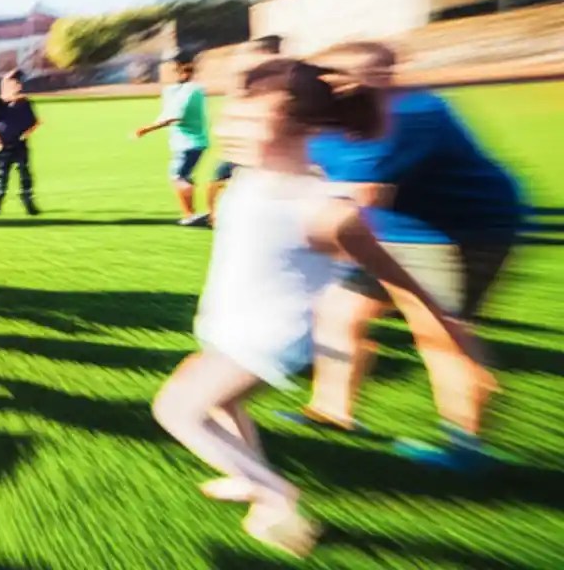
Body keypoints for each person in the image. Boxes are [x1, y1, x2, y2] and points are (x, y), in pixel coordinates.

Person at [152, 57, 467, 557]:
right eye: (234, 115)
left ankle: (274, 494)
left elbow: (394, 277)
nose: (231, 127)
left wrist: (440, 321)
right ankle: (247, 473)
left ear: (299, 130)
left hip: (270, 334)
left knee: (177, 409)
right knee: (224, 402)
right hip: (233, 320)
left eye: (252, 121)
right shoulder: (253, 178)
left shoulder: (321, 206)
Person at [291, 41, 519, 471]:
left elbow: (361, 195)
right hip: (390, 232)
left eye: (357, 76)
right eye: (331, 75)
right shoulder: (333, 122)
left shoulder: (414, 115)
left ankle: (466, 447)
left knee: (439, 333)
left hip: (463, 233)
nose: (339, 85)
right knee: (339, 315)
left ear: (387, 75)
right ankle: (332, 412)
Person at [207, 35, 283, 224]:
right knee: (219, 179)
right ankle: (213, 215)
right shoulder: (250, 77)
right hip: (242, 143)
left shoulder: (278, 78)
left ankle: (216, 215)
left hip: (256, 145)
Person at [135, 50, 210, 226]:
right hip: (189, 142)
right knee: (185, 177)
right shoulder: (181, 89)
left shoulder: (190, 90)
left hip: (188, 143)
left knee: (178, 177)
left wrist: (145, 129)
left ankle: (190, 215)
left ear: (181, 67)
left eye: (173, 66)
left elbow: (174, 116)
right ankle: (194, 213)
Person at [0, 69, 41, 215]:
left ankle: (27, 198)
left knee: (24, 173)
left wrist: (25, 134)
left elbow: (35, 122)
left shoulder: (25, 103)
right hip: (3, 146)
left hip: (19, 145)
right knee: (2, 174)